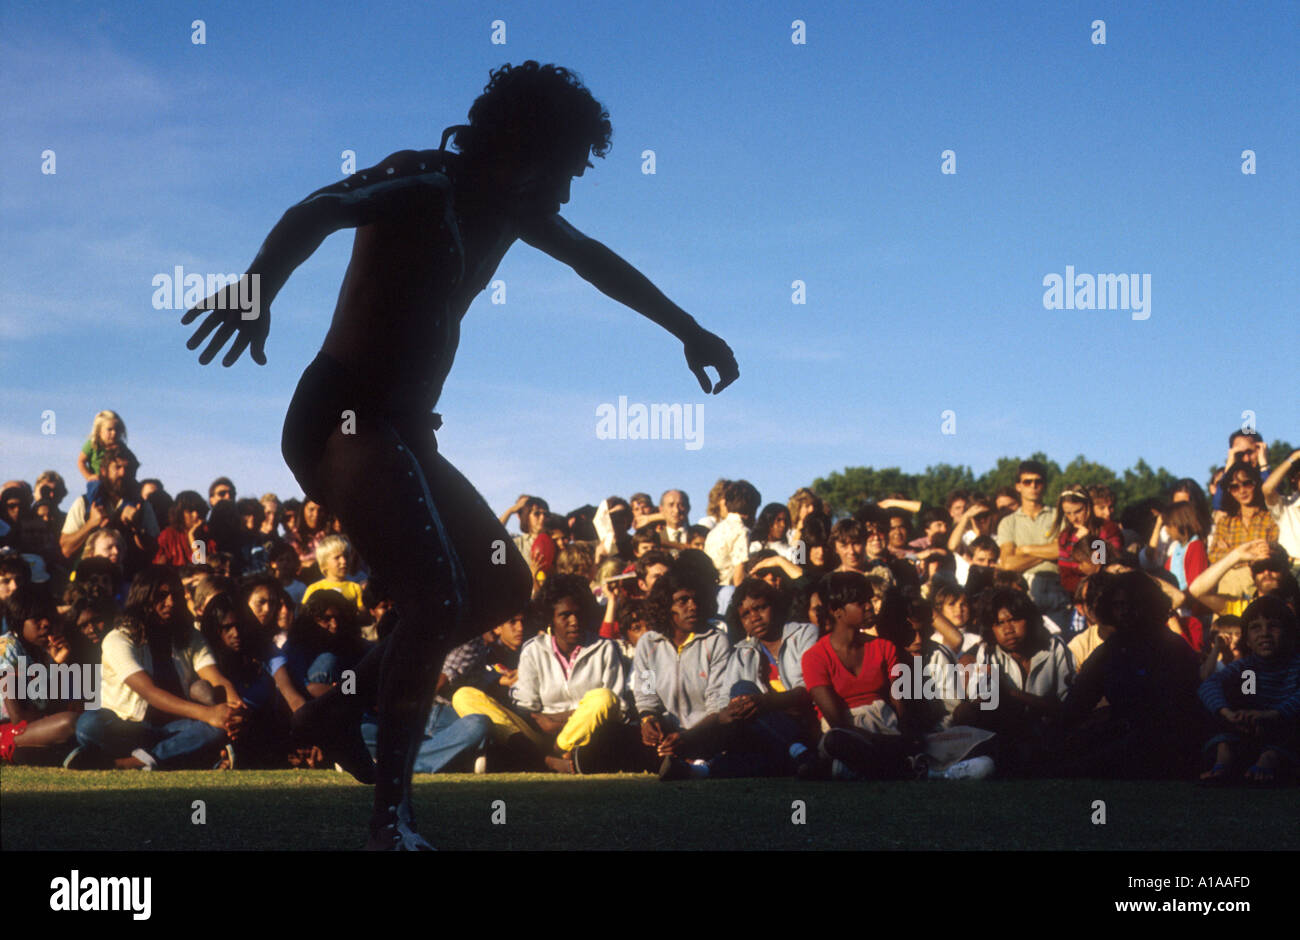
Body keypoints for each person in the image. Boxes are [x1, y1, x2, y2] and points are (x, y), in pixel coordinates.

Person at [184, 60, 737, 848]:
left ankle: (338, 713)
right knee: (437, 598)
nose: (567, 194)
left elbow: (596, 261)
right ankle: (390, 818)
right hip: (340, 416)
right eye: (565, 171)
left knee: (502, 584)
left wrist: (690, 330)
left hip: (403, 428)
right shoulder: (424, 182)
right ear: (522, 144)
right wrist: (255, 292)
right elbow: (316, 210)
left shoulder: (513, 207)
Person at [1197, 595, 1299, 785]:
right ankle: (1224, 758)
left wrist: (1273, 714)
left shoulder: (1295, 666)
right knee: (1219, 707)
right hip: (1255, 731)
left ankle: (1270, 758)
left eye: (1274, 626)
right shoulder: (1248, 670)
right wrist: (1229, 713)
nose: (1265, 633)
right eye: (1256, 628)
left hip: (1284, 729)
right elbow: (1212, 685)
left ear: (1289, 634)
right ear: (1247, 639)